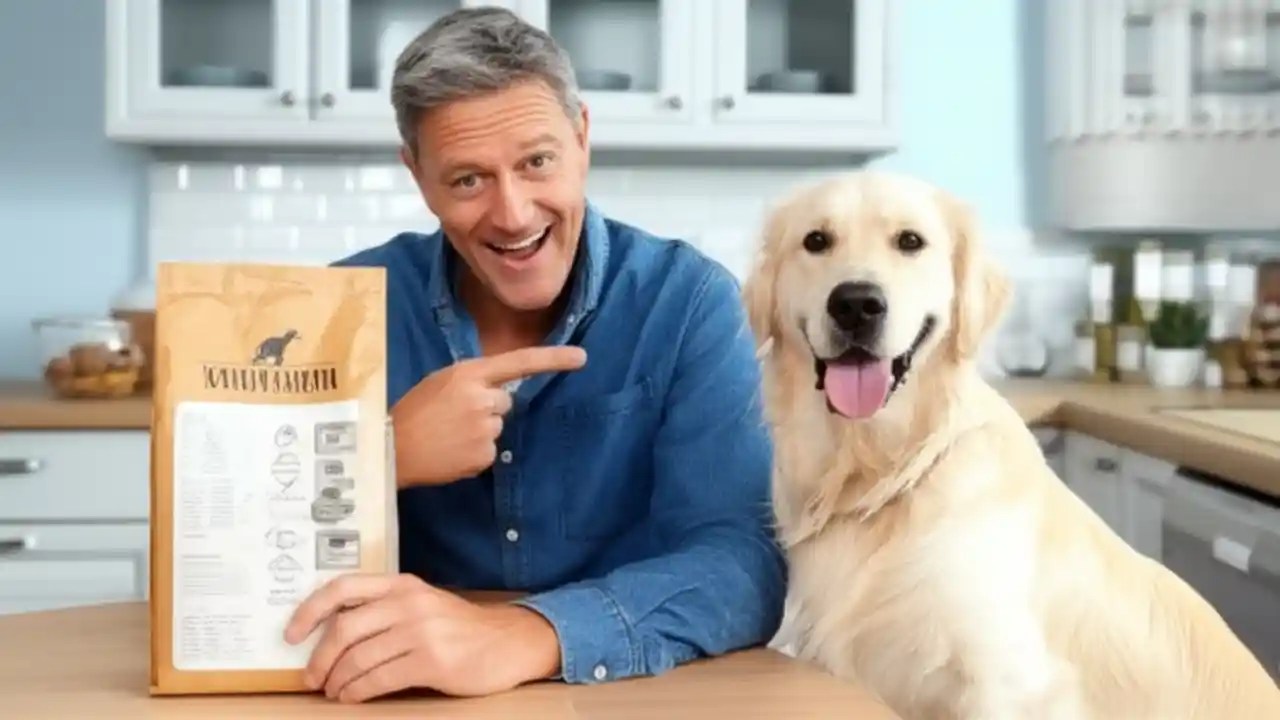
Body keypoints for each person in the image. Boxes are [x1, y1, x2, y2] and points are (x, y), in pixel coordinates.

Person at [282, 6, 787, 704]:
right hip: (398, 696)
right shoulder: (340, 308)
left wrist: (525, 635)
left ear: (582, 138)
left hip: (637, 693)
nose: (514, 214)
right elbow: (232, 544)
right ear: (417, 174)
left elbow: (742, 564)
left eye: (537, 162)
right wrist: (380, 455)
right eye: (467, 180)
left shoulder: (689, 302)